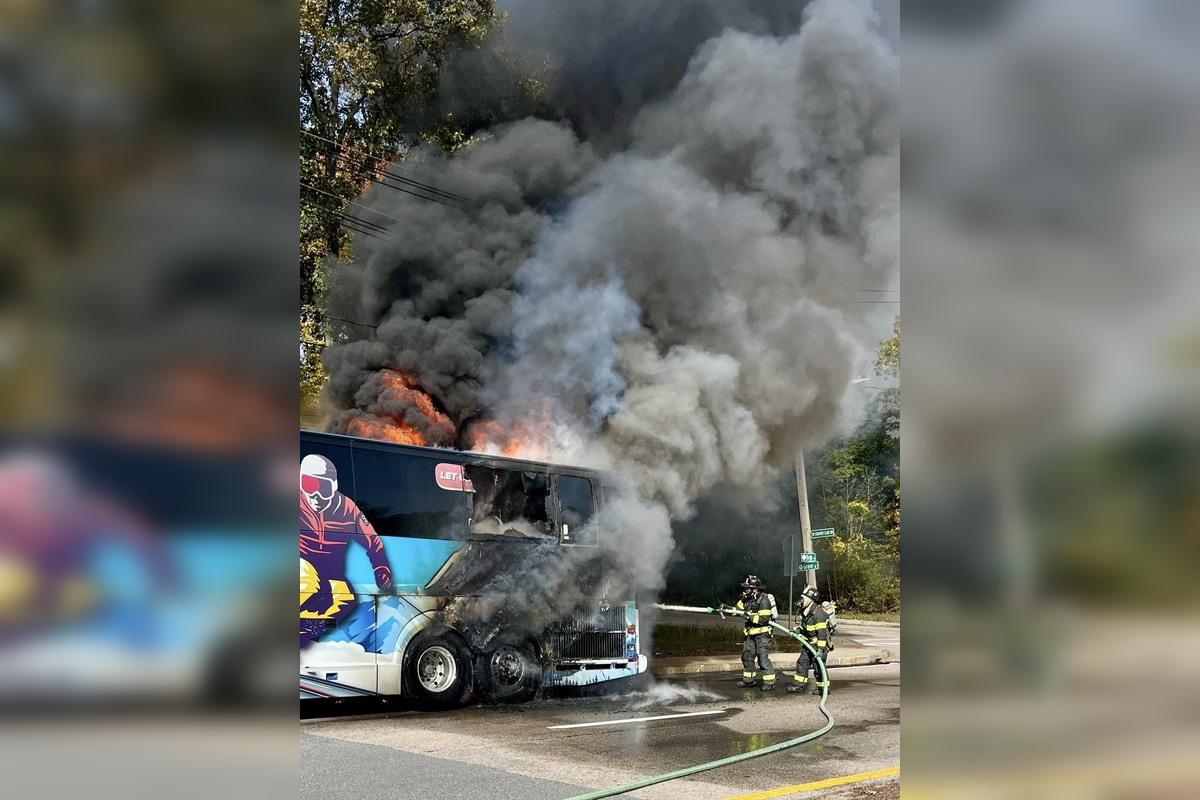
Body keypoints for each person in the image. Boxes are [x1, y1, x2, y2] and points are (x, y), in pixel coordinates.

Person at [300, 453, 392, 647]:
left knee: (347, 597)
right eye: (309, 485)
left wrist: (381, 568)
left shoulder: (347, 509)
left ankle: (310, 628)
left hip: (330, 573)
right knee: (308, 579)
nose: (315, 496)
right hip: (302, 565)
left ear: (333, 486)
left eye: (323, 488)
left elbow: (372, 540)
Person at [731, 575, 778, 690]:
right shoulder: (746, 599)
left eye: (747, 588)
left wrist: (747, 616)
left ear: (755, 589)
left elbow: (763, 620)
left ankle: (769, 683)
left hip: (763, 635)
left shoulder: (764, 601)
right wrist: (725, 608)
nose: (745, 590)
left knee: (762, 658)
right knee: (747, 656)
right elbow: (735, 610)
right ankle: (748, 680)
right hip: (750, 634)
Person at [789, 586, 831, 695]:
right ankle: (798, 685)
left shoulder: (819, 614)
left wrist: (820, 649)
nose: (801, 600)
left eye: (804, 598)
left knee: (818, 667)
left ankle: (823, 688)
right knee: (802, 663)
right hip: (808, 644)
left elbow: (822, 634)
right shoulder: (806, 612)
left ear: (811, 599)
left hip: (818, 646)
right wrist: (798, 630)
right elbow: (805, 627)